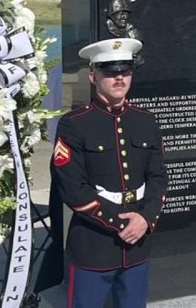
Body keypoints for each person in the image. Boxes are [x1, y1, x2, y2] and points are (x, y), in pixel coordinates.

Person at [52, 38, 168, 308]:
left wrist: (145, 218)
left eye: (125, 71)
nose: (119, 77)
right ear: (93, 75)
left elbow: (158, 177)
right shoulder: (74, 125)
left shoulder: (145, 119)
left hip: (138, 244)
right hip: (94, 245)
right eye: (110, 71)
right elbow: (73, 189)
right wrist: (123, 223)